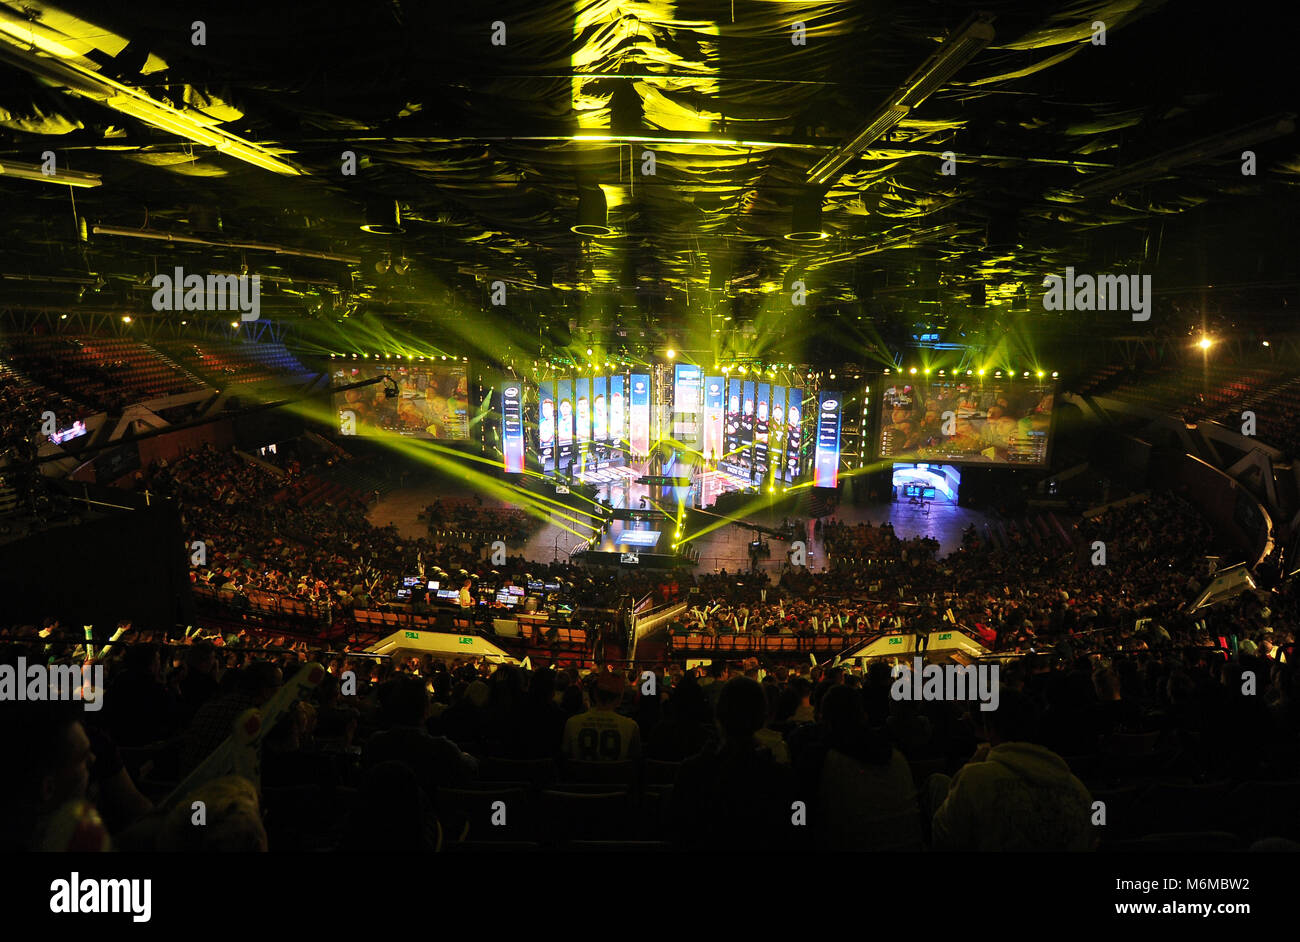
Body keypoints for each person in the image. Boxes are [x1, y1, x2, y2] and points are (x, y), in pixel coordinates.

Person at [929, 687, 1094, 851]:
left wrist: (971, 767)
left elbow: (943, 835)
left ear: (990, 729)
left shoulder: (975, 780)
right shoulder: (1079, 790)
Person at [561, 671, 641, 762]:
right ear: (619, 699)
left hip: (579, 775)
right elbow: (636, 760)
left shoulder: (572, 723)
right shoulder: (631, 726)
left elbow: (564, 757)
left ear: (594, 695)